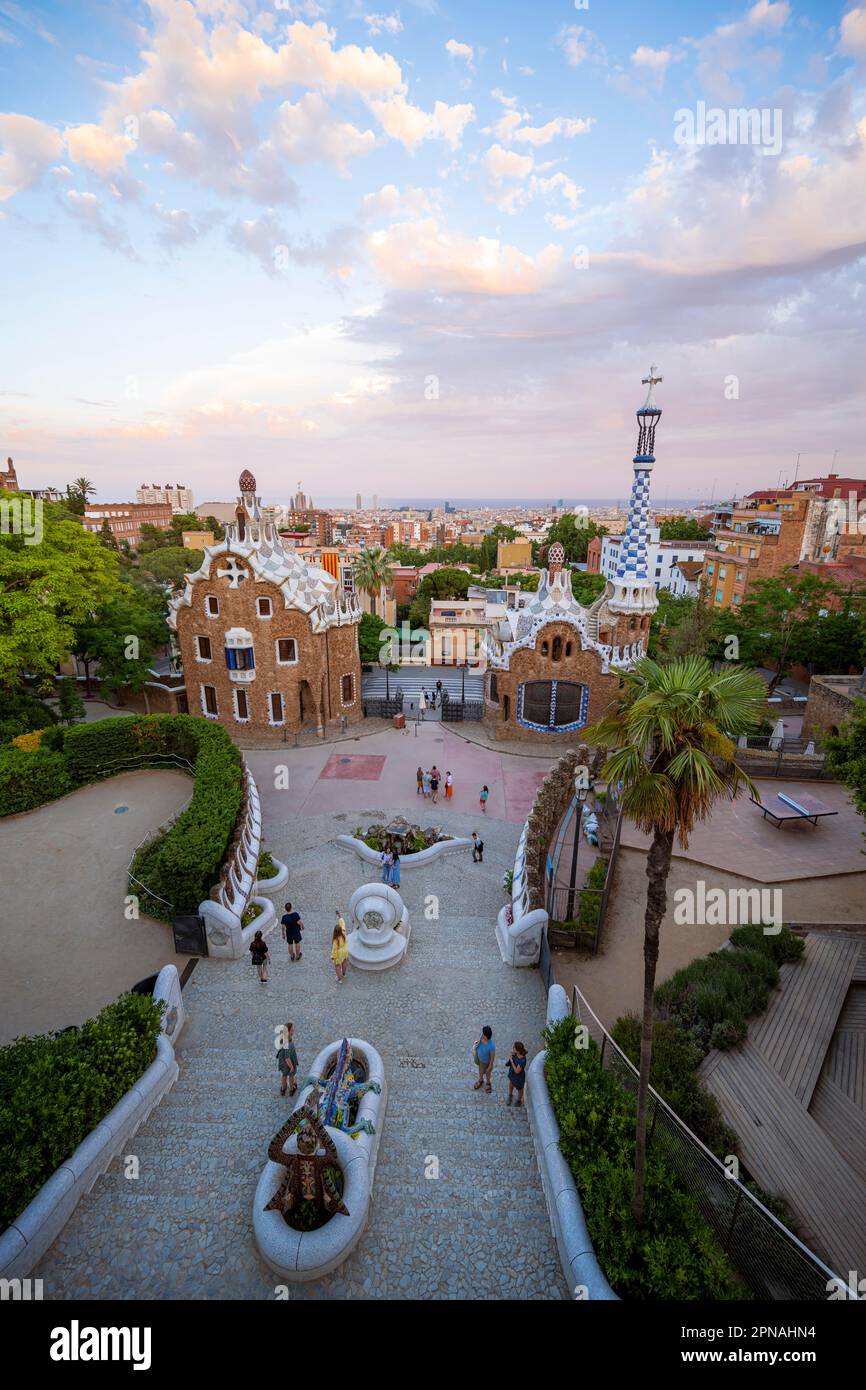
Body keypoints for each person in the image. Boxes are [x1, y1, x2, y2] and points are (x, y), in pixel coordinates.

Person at [276, 1022, 299, 1098]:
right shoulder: (289, 1044)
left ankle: (283, 1089)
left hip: (282, 1061)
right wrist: (291, 1067)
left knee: (284, 1075)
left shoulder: (282, 1038)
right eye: (292, 1030)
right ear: (288, 1032)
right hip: (289, 1062)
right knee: (291, 1075)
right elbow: (287, 1058)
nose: (293, 1031)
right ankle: (291, 1089)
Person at [474, 1026, 495, 1093]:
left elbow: (492, 1058)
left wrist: (490, 1066)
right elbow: (479, 1042)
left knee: (487, 1073)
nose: (482, 1034)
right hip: (479, 1057)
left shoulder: (491, 1046)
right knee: (480, 1069)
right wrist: (478, 1042)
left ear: (486, 1036)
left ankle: (488, 1083)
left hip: (486, 1062)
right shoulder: (482, 1037)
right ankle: (481, 1080)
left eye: (483, 1034)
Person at [506, 1041, 528, 1107]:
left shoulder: (522, 1060)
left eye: (514, 1048)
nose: (512, 1049)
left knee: (520, 1089)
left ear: (518, 1051)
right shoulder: (515, 1054)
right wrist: (512, 1055)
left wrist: (512, 1061)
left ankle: (519, 1100)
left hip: (519, 1077)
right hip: (512, 1074)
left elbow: (517, 1071)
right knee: (511, 1084)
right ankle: (510, 1096)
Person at [331, 911, 349, 983]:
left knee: (337, 966)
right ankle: (344, 974)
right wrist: (340, 916)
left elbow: (334, 950)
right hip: (345, 950)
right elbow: (342, 923)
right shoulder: (344, 932)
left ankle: (339, 979)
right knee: (344, 962)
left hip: (339, 953)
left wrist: (333, 957)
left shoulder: (335, 940)